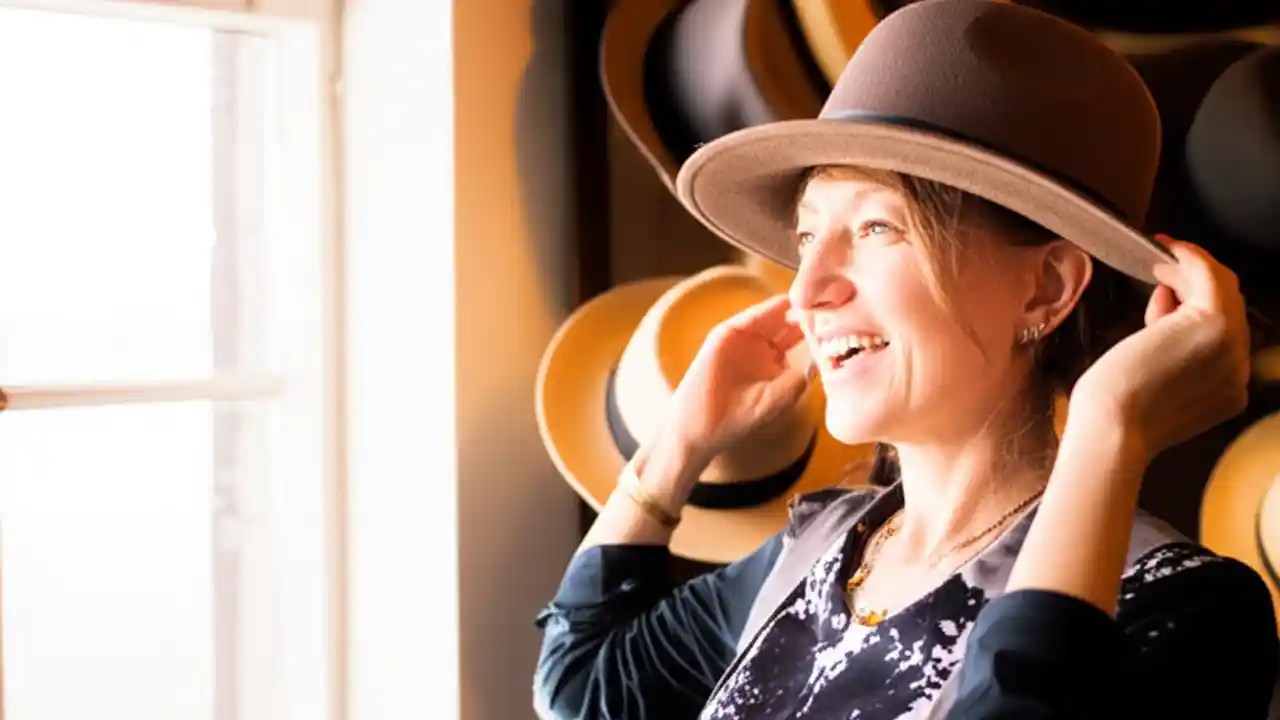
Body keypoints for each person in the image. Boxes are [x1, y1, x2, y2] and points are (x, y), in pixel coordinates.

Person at [533, 1, 1279, 718]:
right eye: (805, 239)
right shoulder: (822, 547)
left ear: (1046, 287)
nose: (807, 290)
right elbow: (582, 691)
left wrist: (1108, 429)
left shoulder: (1181, 606)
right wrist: (677, 444)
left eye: (878, 228)